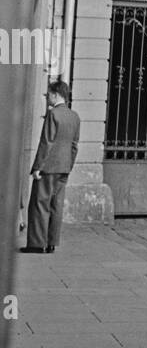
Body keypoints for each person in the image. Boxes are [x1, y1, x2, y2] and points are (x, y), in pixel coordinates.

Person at [21, 78, 80, 253]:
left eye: (49, 94)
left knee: (40, 204)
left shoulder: (53, 114)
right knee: (56, 205)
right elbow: (74, 146)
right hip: (64, 168)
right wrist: (69, 166)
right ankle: (52, 243)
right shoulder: (74, 116)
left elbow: (46, 142)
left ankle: (37, 244)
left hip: (48, 168)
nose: (48, 97)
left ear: (56, 95)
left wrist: (37, 167)